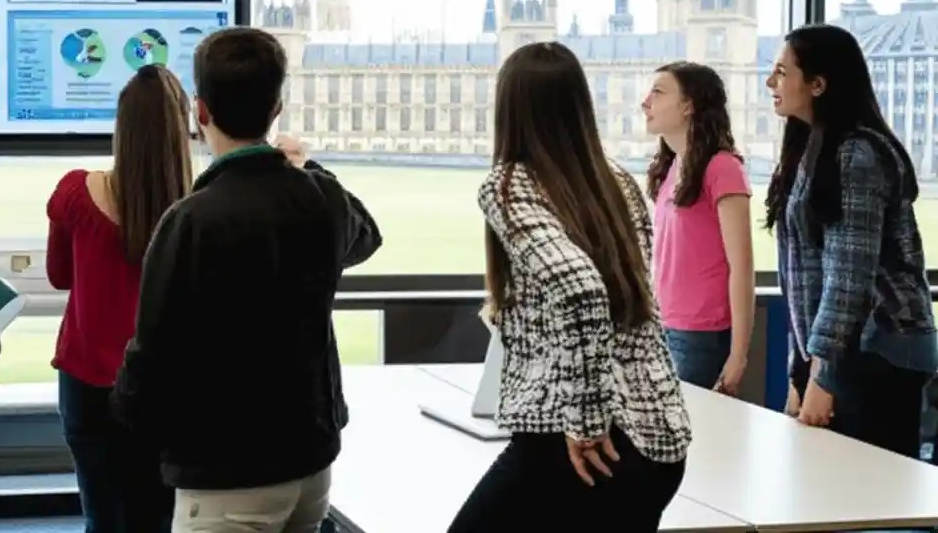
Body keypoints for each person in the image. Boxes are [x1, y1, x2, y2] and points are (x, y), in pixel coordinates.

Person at [111, 27, 382, 533]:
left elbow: (151, 354)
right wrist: (307, 168)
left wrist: (125, 412)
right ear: (277, 108)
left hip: (225, 472)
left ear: (201, 112)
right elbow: (367, 234)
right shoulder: (321, 198)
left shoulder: (190, 220)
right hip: (310, 464)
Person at [448, 42, 691, 532]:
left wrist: (585, 421)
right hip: (657, 440)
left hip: (580, 444)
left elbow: (581, 293)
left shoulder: (511, 183)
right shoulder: (617, 181)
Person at [765, 23, 938, 456]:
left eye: (783, 72)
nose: (771, 82)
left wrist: (822, 377)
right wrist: (800, 369)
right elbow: (804, 282)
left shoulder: (857, 154)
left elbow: (848, 279)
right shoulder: (810, 148)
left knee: (865, 494)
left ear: (818, 84)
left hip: (879, 350)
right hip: (843, 351)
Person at [47, 64, 192, 532]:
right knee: (160, 519)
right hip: (168, 388)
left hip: (87, 386)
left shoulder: (74, 193)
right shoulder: (198, 208)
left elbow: (58, 276)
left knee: (102, 517)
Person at [643, 61, 755, 392]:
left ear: (688, 106)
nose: (645, 101)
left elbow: (742, 268)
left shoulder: (723, 167)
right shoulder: (674, 167)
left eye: (658, 92)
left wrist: (738, 356)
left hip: (701, 337)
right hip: (665, 327)